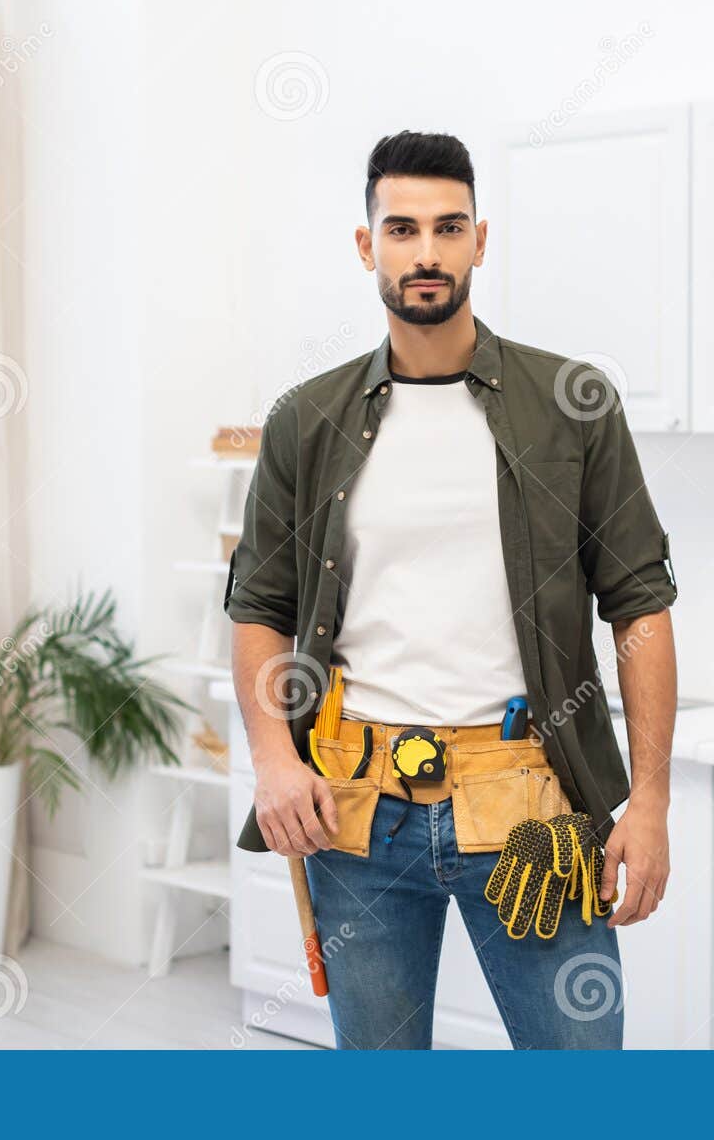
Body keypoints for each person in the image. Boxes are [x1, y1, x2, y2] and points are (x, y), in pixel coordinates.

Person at [224, 130, 678, 1049]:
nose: (425, 253)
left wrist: (653, 804)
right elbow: (259, 607)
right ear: (368, 246)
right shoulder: (304, 421)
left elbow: (640, 605)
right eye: (401, 229)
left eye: (447, 227)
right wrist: (275, 760)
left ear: (480, 240)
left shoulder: (572, 402)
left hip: (531, 809)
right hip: (355, 813)